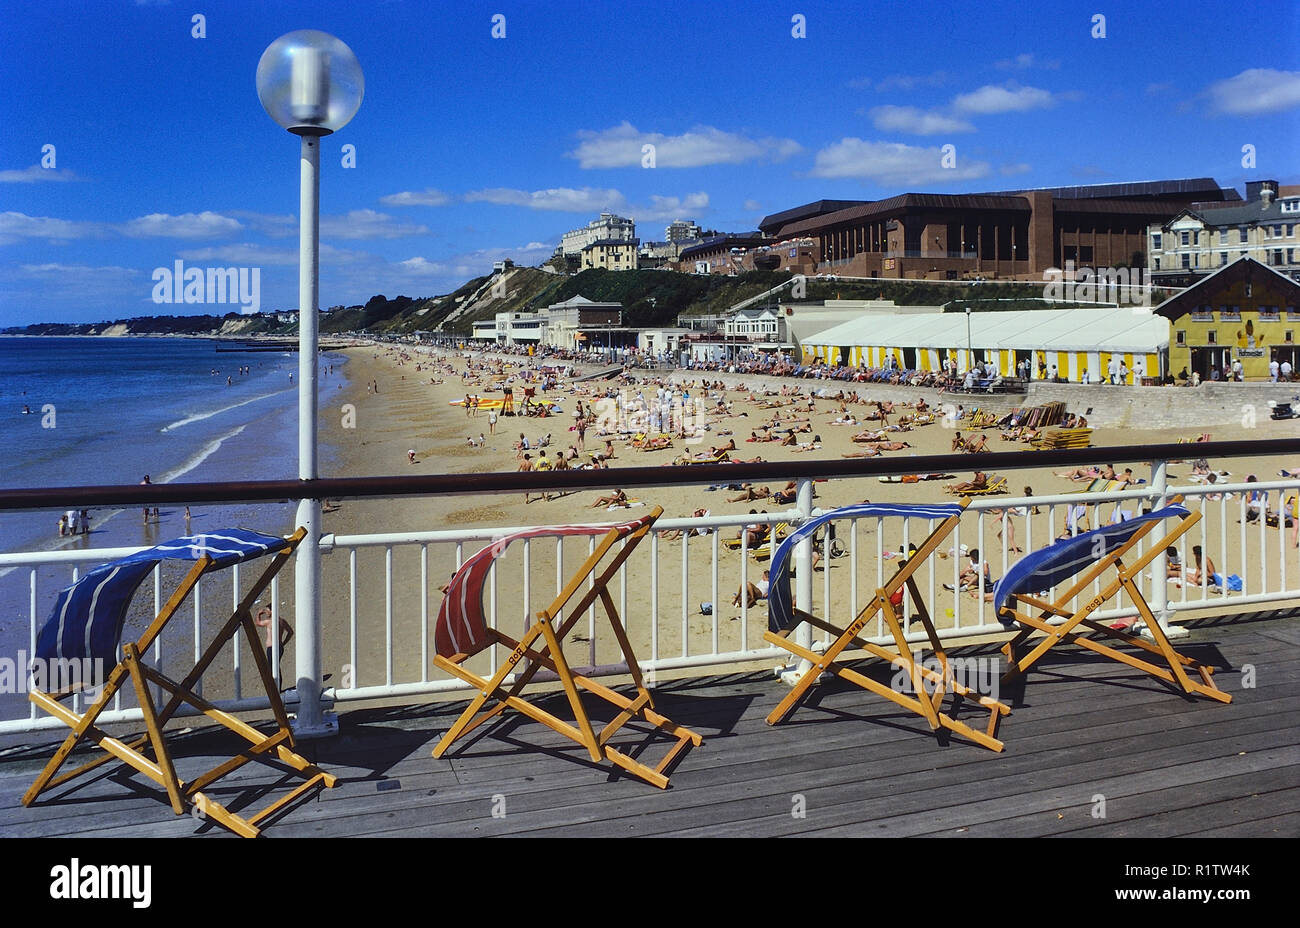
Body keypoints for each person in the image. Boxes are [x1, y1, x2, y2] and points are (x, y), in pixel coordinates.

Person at [254, 601, 293, 675]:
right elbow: (290, 632)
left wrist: (259, 614)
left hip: (272, 647)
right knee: (276, 666)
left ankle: (275, 685)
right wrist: (283, 642)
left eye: (267, 610)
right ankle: (278, 684)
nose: (266, 613)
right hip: (280, 646)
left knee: (271, 667)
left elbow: (258, 623)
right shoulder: (282, 621)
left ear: (271, 610)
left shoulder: (269, 621)